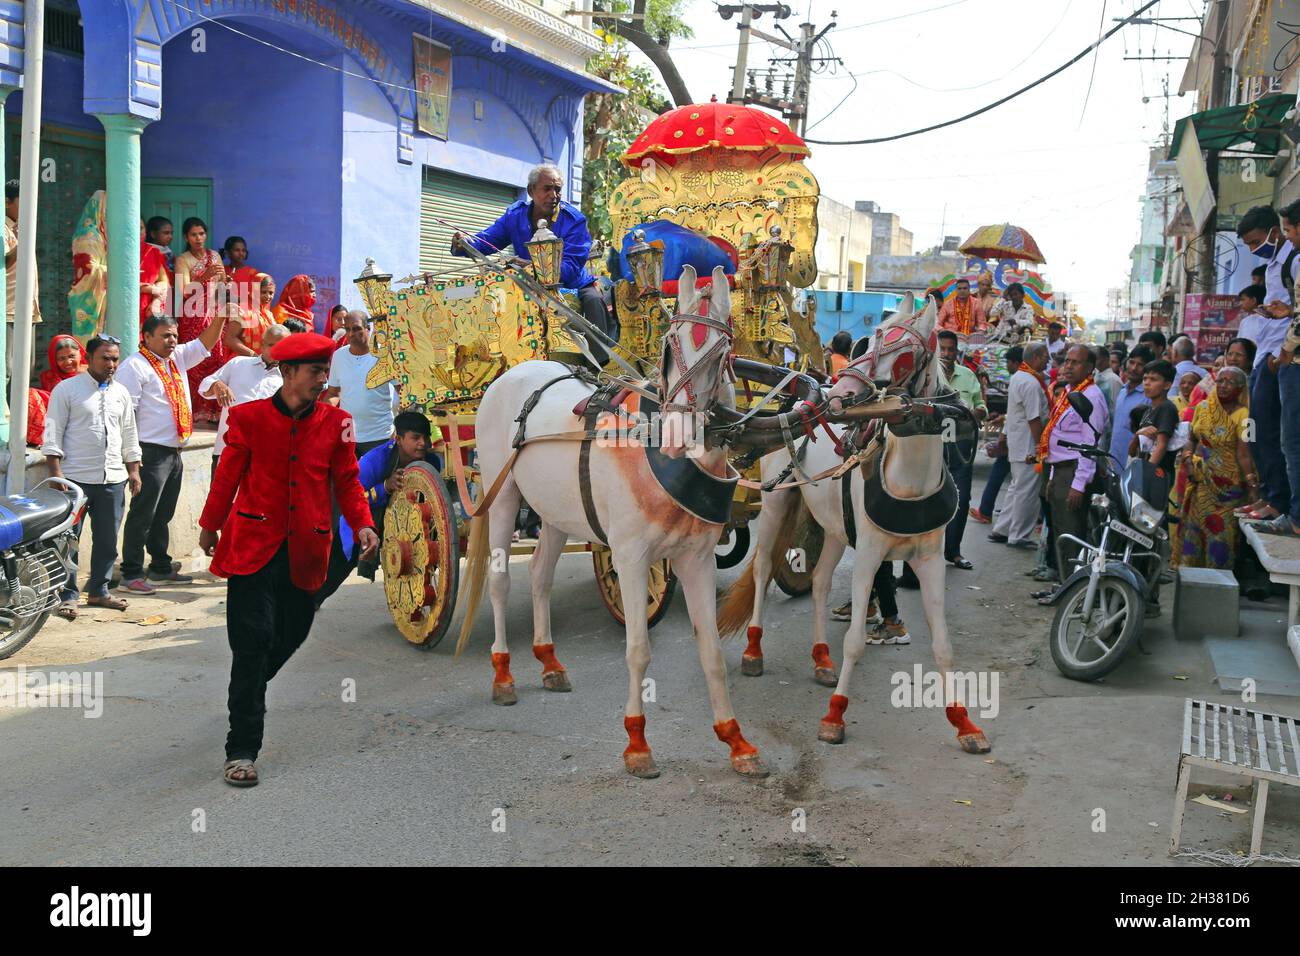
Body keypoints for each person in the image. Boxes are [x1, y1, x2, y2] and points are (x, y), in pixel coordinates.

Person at [199, 333, 378, 787]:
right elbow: (228, 476)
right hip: (251, 545)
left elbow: (348, 482)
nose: (324, 378)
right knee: (251, 639)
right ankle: (242, 747)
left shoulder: (337, 423)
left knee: (292, 632)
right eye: (316, 371)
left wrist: (361, 524)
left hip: (307, 548)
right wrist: (209, 523)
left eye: (325, 370)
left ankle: (250, 689)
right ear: (289, 373)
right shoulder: (246, 419)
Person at [114, 311, 229, 594]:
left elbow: (204, 344)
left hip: (174, 451)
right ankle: (130, 573)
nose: (172, 340)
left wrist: (221, 317)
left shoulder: (174, 360)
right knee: (143, 514)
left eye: (175, 335)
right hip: (149, 452)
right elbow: (126, 416)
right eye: (165, 335)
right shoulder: (135, 367)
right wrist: (132, 458)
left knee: (162, 514)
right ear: (147, 337)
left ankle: (160, 568)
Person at [452, 163, 611, 362]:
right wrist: (465, 244)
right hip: (528, 283)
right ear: (531, 191)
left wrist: (529, 266)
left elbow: (570, 267)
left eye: (558, 189)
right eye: (547, 188)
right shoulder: (515, 216)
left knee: (593, 299)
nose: (554, 194)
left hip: (573, 284)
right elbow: (487, 240)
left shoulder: (574, 220)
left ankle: (599, 366)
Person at [42, 334, 142, 619]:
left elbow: (129, 434)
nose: (111, 364)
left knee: (108, 540)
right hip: (74, 481)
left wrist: (133, 470)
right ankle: (67, 595)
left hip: (113, 479)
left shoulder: (121, 392)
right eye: (105, 358)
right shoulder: (67, 390)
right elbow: (52, 434)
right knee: (68, 540)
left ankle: (99, 590)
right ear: (89, 358)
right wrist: (57, 477)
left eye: (115, 359)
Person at [316, 410, 446, 607]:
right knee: (333, 573)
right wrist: (384, 487)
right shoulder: (375, 460)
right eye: (416, 437)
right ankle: (307, 604)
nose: (423, 443)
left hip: (408, 528)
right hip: (364, 524)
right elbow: (351, 499)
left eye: (426, 437)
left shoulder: (432, 462)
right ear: (399, 438)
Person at [1032, 345, 1109, 604]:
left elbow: (1089, 444)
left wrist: (1078, 485)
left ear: (1090, 368)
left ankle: (1074, 596)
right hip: (1058, 469)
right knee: (1061, 534)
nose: (1068, 366)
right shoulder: (1069, 392)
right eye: (1067, 361)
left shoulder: (1092, 396)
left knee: (1073, 535)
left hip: (1074, 473)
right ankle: (1064, 586)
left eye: (1076, 362)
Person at [1171, 365, 1255, 568]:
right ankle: (1191, 580)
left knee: (1221, 539)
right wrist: (1188, 459)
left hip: (1228, 490)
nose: (1223, 386)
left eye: (1230, 382)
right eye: (1220, 381)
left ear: (1241, 388)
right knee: (1193, 532)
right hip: (1200, 483)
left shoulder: (1247, 417)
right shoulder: (1202, 408)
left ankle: (1217, 585)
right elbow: (1191, 438)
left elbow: (1245, 454)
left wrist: (1253, 487)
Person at [199, 324, 290, 479]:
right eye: (271, 345)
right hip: (227, 449)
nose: (275, 350)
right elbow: (204, 386)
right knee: (221, 501)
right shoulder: (238, 364)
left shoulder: (290, 377)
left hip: (266, 455)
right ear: (262, 344)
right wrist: (217, 385)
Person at [989, 341, 1049, 548]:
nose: (1048, 360)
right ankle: (1019, 536)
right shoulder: (1031, 383)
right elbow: (1034, 419)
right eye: (1045, 356)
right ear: (1035, 357)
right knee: (1027, 491)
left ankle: (1003, 529)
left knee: (1017, 488)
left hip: (1019, 442)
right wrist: (1042, 447)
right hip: (1028, 445)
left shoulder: (1019, 378)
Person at [937, 330, 985, 569]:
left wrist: (976, 413)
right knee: (928, 500)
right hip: (932, 448)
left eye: (950, 350)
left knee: (961, 498)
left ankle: (953, 552)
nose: (946, 354)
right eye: (942, 349)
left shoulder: (968, 376)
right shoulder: (927, 377)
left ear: (957, 352)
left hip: (961, 448)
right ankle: (925, 552)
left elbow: (981, 406)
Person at [173, 217, 228, 423]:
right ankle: (194, 410)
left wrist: (225, 284)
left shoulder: (214, 256)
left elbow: (221, 286)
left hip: (213, 312)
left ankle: (213, 411)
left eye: (201, 234)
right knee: (195, 360)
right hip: (192, 314)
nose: (198, 238)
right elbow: (184, 290)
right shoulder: (183, 259)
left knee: (215, 358)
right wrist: (204, 276)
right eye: (193, 234)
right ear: (186, 237)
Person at [325, 310, 397, 457]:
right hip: (347, 436)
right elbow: (333, 393)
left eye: (356, 328)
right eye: (347, 329)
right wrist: (324, 416)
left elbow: (404, 393)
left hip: (381, 436)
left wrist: (398, 429)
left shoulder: (384, 356)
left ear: (368, 328)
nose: (351, 334)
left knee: (379, 480)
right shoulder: (339, 356)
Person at [971, 346, 1022, 524]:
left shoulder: (1018, 379)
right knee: (1007, 477)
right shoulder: (1024, 379)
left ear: (1016, 363)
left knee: (1012, 481)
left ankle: (988, 512)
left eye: (1008, 362)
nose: (1007, 366)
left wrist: (1002, 438)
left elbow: (1019, 414)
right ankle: (987, 511)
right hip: (1018, 438)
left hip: (1018, 439)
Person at [5, 180, 40, 370]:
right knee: (8, 369)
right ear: (7, 201)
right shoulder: (5, 228)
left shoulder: (18, 228)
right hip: (10, 310)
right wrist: (20, 241)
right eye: (24, 199)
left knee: (27, 368)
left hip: (27, 310)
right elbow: (5, 263)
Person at [1108, 345, 1153, 470]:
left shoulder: (1149, 396)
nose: (1134, 368)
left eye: (1140, 365)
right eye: (1132, 362)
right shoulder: (1122, 391)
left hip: (1133, 465)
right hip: (1113, 462)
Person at [140, 218, 171, 327]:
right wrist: (149, 289)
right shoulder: (111, 252)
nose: (138, 232)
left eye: (141, 228)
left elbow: (163, 281)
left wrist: (157, 300)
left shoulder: (153, 252)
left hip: (149, 310)